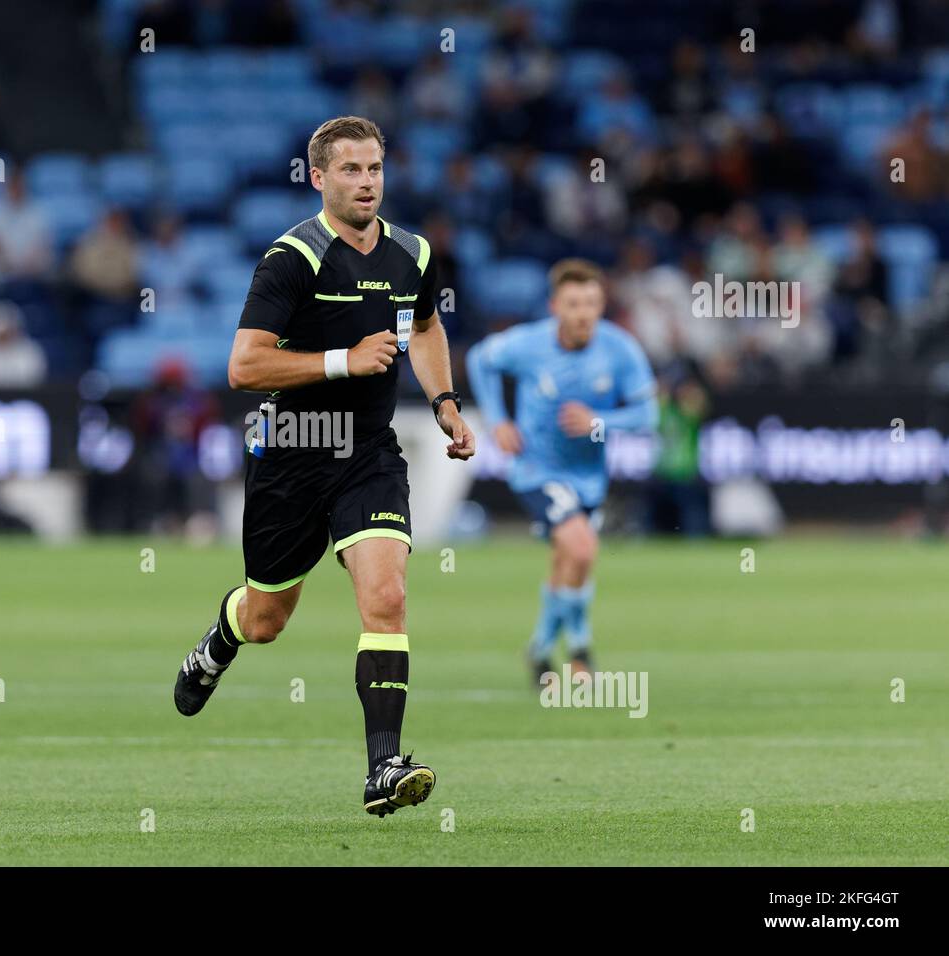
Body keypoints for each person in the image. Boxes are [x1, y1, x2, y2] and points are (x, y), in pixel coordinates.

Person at [171, 116, 477, 817]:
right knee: (268, 617)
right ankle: (220, 641)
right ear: (318, 178)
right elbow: (243, 365)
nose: (366, 182)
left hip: (368, 452)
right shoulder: (293, 259)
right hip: (295, 453)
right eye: (350, 170)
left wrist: (445, 402)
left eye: (374, 169)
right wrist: (342, 359)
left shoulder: (413, 253)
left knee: (387, 597)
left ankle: (383, 768)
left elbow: (425, 326)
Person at [466, 259, 657, 687]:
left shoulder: (620, 348)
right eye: (574, 303)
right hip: (537, 469)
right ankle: (582, 650)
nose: (583, 312)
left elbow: (649, 414)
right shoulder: (529, 344)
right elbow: (481, 359)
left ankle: (538, 650)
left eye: (591, 302)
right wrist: (497, 418)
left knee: (570, 562)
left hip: (588, 476)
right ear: (555, 306)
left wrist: (600, 422)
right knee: (584, 549)